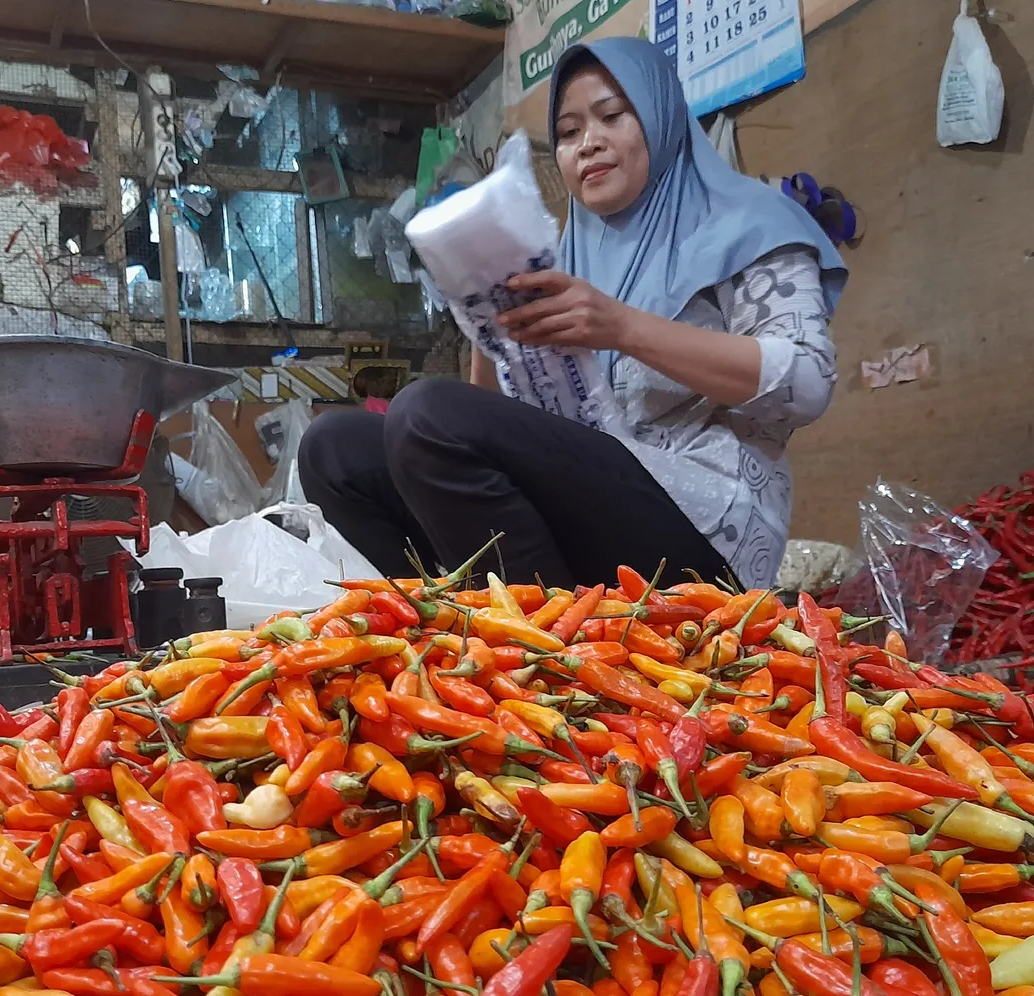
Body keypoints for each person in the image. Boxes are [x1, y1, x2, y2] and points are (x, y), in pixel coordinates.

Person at [299, 37, 847, 589]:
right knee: (336, 450)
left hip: (704, 523)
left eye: (611, 117)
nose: (589, 144)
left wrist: (623, 327)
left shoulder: (746, 222)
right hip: (592, 494)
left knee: (425, 413)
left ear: (660, 121)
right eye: (568, 132)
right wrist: (489, 322)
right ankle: (435, 634)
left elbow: (807, 381)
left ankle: (541, 652)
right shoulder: (563, 253)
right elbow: (489, 416)